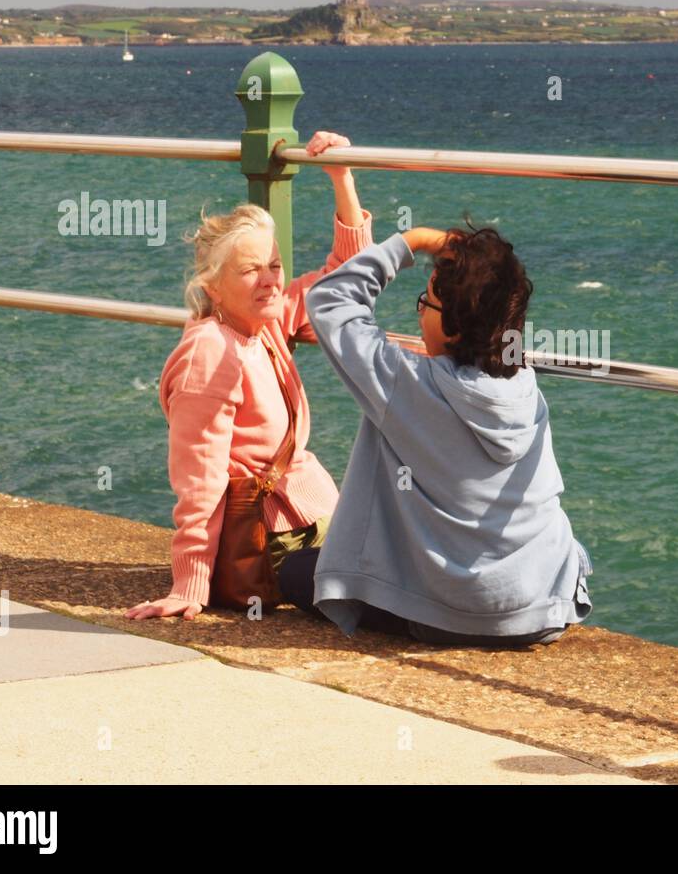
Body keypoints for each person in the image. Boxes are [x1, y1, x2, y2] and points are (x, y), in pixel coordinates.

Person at [281, 221, 593, 645]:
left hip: (445, 616)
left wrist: (411, 242)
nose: (419, 311)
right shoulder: (524, 384)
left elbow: (330, 299)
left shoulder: (402, 383)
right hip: (544, 607)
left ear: (455, 329)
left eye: (424, 303)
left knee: (295, 573)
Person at [125, 131, 372, 621]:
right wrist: (190, 585)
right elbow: (200, 477)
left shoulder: (266, 322)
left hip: (313, 519)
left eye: (275, 265)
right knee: (393, 584)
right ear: (212, 287)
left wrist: (341, 174)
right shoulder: (210, 352)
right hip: (274, 543)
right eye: (251, 270)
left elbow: (348, 276)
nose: (270, 279)